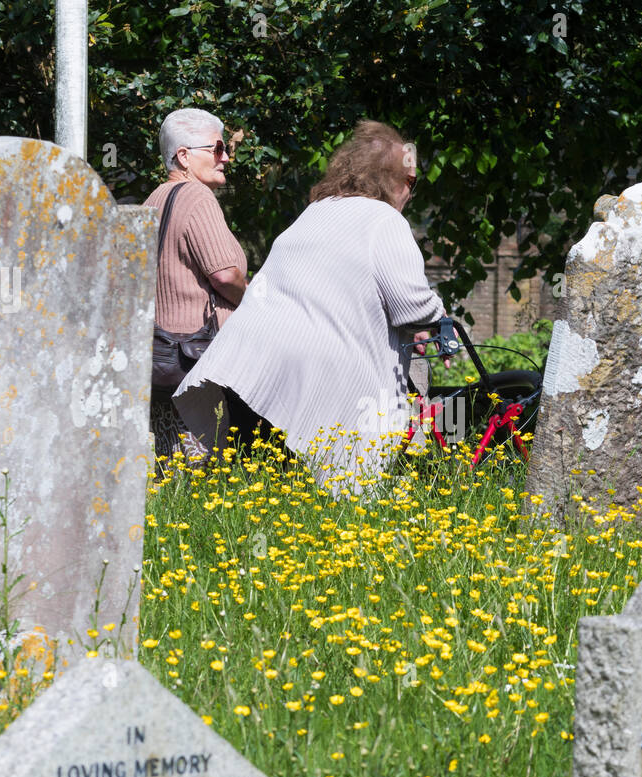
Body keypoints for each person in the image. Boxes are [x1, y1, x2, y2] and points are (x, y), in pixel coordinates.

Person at [173, 119, 445, 494]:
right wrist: (439, 316)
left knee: (260, 484)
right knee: (325, 489)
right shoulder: (385, 220)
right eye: (411, 182)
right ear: (390, 179)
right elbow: (411, 306)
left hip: (250, 368)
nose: (410, 193)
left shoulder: (316, 211)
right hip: (314, 370)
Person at [144, 108, 248, 466]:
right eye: (217, 148)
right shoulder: (197, 196)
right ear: (183, 156)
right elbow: (225, 275)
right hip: (195, 359)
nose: (226, 158)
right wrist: (252, 301)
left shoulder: (154, 199)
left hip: (158, 355)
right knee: (205, 466)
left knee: (168, 467)